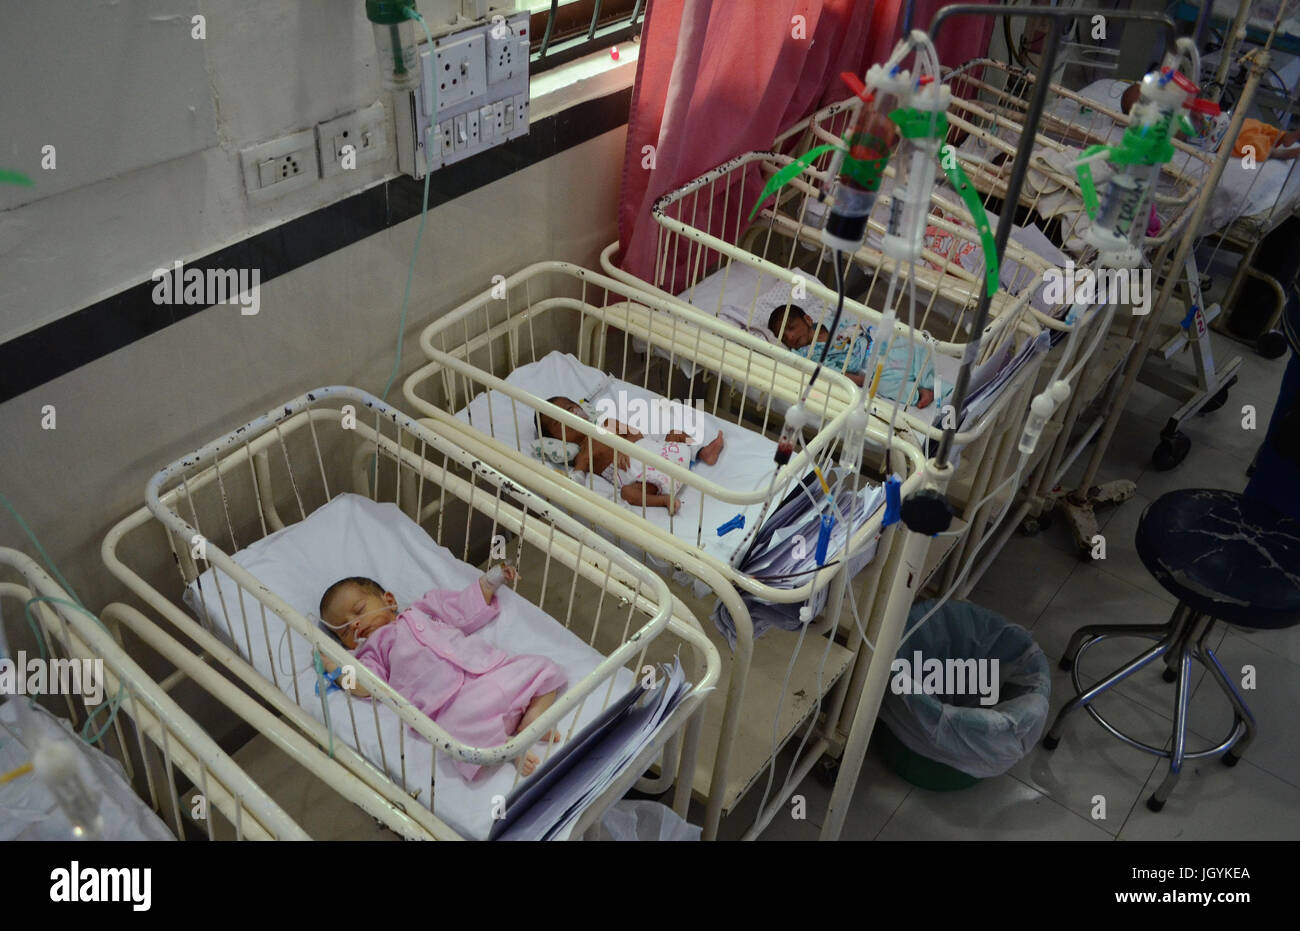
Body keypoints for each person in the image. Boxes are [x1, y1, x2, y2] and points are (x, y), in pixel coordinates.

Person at [318, 566, 566, 778]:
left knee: (542, 667)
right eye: (344, 631)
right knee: (456, 730)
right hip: (452, 702)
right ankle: (507, 747)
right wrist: (334, 666)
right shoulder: (373, 652)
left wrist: (490, 581)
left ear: (389, 601)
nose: (355, 624)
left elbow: (460, 608)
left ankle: (531, 719)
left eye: (359, 610)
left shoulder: (423, 609)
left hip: (487, 671)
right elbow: (364, 684)